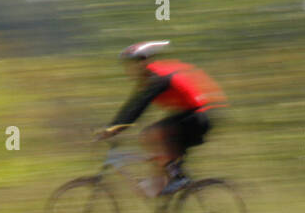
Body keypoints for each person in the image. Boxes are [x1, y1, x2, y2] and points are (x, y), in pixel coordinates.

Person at [94, 41, 226, 197]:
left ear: (144, 62)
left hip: (198, 117)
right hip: (189, 117)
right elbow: (130, 107)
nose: (129, 69)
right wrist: (112, 127)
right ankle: (162, 204)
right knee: (155, 152)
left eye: (132, 64)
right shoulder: (148, 81)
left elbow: (138, 108)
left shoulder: (158, 79)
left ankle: (178, 177)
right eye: (127, 65)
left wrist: (113, 130)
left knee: (152, 134)